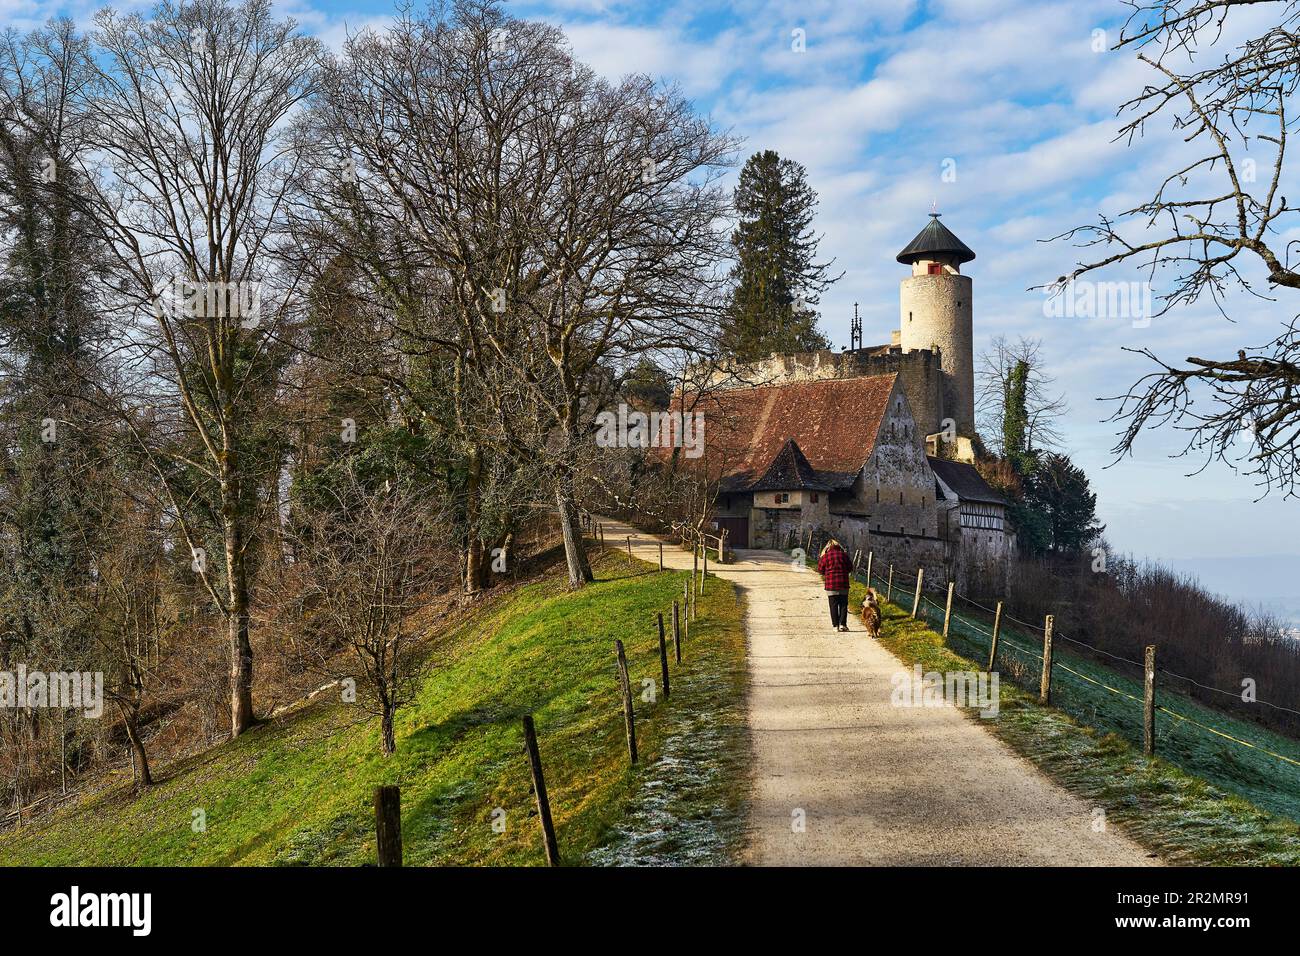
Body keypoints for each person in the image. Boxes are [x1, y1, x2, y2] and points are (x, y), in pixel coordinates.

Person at [816, 539, 853, 632]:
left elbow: (820, 569)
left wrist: (827, 573)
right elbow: (850, 568)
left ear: (828, 547)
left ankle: (835, 625)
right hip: (843, 583)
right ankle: (843, 624)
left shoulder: (825, 556)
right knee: (843, 604)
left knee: (833, 605)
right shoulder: (844, 555)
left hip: (831, 584)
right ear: (838, 546)